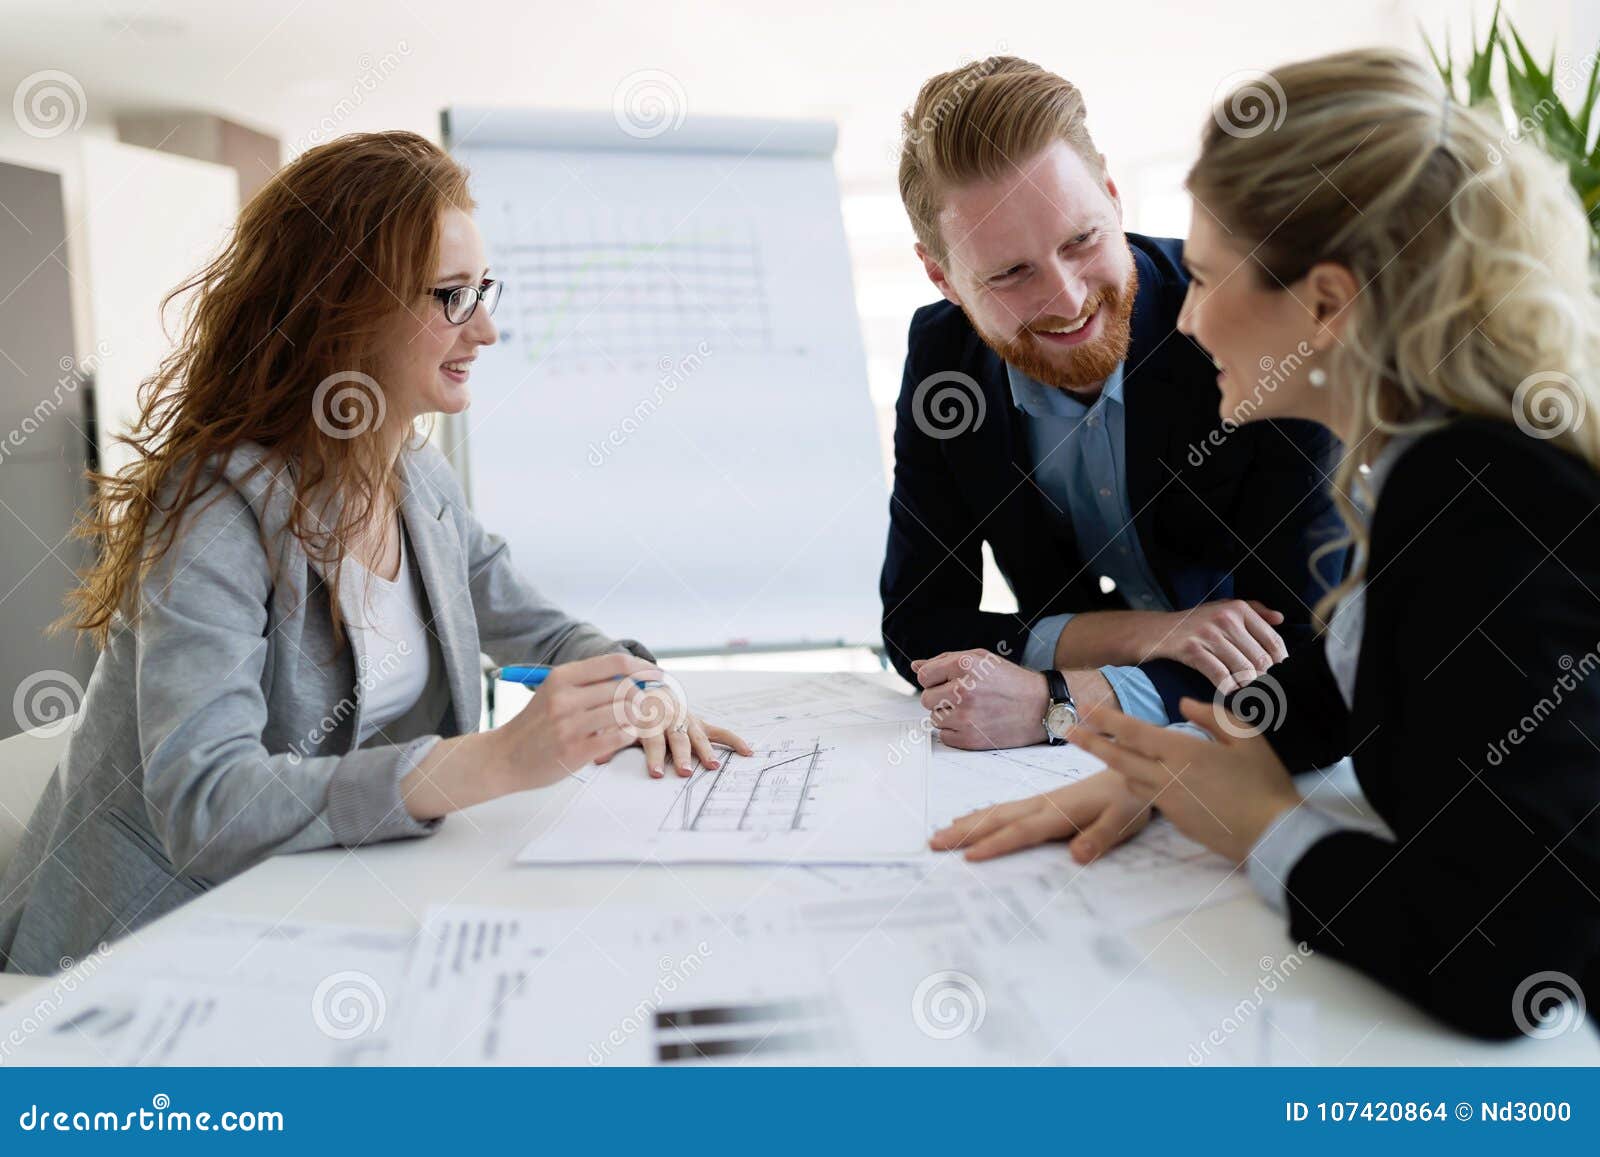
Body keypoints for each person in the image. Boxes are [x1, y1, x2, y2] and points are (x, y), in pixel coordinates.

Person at [934, 49, 1600, 1039]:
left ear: (1325, 304)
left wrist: (1261, 827)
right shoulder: (1430, 463)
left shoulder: (1487, 499)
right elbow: (1367, 682)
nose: (1188, 320)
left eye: (1202, 277)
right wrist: (1166, 770)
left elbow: (1514, 953)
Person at [0, 131, 749, 975]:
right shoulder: (219, 505)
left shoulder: (416, 479)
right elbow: (204, 802)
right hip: (142, 956)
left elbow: (541, 632)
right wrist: (494, 759)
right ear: (344, 306)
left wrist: (634, 684)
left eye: (484, 290)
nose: (489, 329)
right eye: (452, 297)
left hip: (320, 916)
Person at [882, 56, 1344, 757]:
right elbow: (917, 624)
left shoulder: (1248, 320)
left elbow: (1301, 648)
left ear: (1113, 195)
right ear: (941, 275)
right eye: (1010, 273)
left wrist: (1065, 701)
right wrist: (1150, 633)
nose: (1068, 301)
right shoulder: (946, 363)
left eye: (1082, 240)